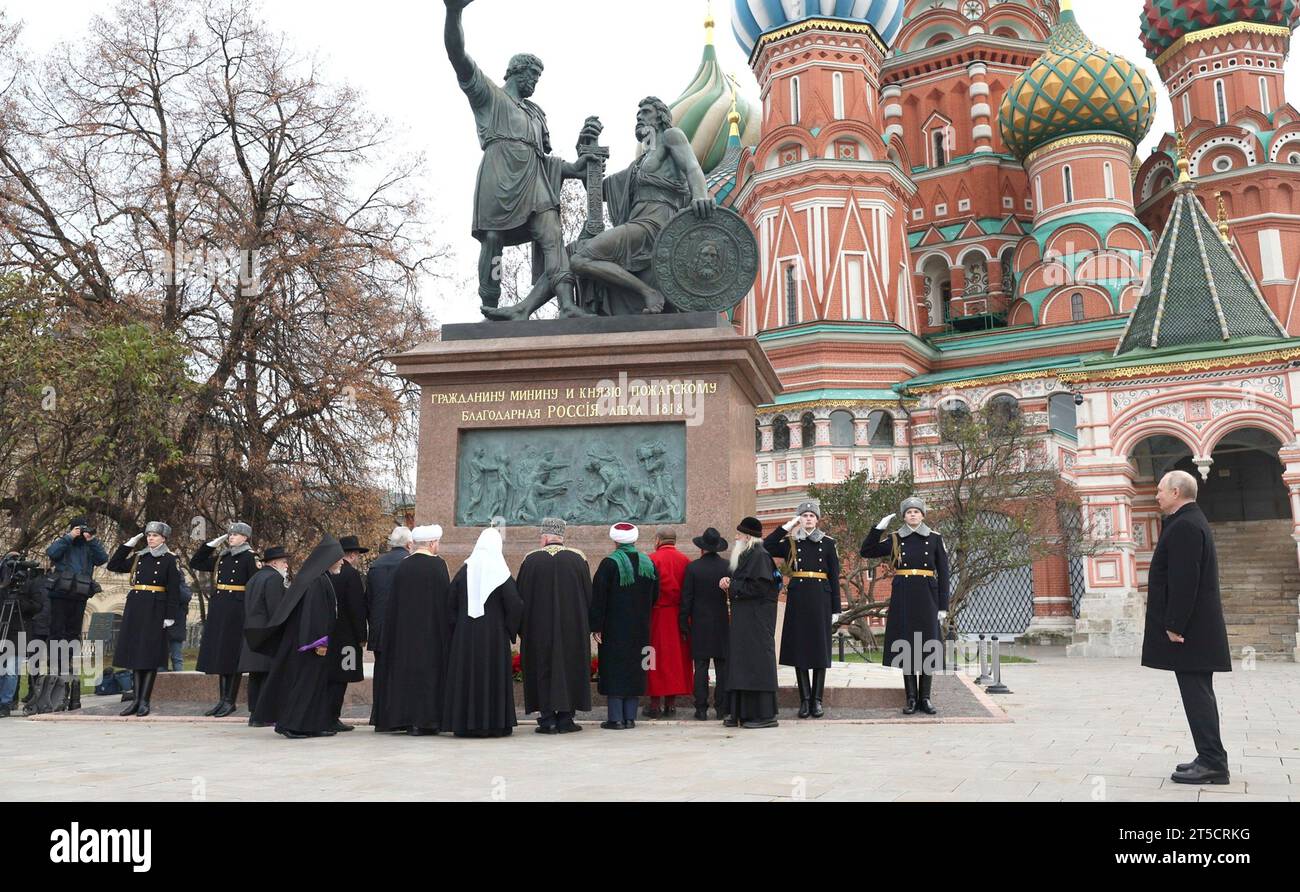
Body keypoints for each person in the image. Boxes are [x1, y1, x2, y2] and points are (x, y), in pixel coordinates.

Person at [444, 0, 593, 319]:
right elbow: (459, 57)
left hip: (535, 182)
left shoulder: (536, 113)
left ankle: (567, 304)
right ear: (517, 72)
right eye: (532, 77)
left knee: (553, 236)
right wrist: (453, 13)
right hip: (499, 177)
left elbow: (546, 161)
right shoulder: (489, 96)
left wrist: (574, 168)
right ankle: (490, 308)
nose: (534, 84)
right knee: (493, 241)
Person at [1143, 470, 1232, 785]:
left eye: (1160, 490)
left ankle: (1213, 763)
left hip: (1189, 632)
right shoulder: (1190, 522)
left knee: (1197, 696)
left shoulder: (1185, 526)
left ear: (1176, 492)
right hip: (1196, 631)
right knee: (1200, 695)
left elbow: (1184, 580)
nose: (1157, 495)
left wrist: (1174, 624)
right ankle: (1209, 756)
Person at [246, 536, 344, 739]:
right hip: (309, 645)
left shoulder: (319, 577)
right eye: (339, 558)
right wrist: (318, 642)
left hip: (308, 643)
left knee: (313, 686)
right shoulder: (316, 580)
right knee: (303, 686)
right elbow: (313, 615)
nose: (342, 562)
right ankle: (291, 725)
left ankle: (311, 724)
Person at [860, 498, 950, 715]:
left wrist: (942, 606)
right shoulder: (895, 538)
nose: (912, 515)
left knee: (927, 645)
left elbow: (944, 573)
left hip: (927, 595)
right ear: (904, 516)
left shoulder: (935, 538)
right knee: (907, 646)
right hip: (904, 595)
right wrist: (878, 528)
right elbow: (867, 551)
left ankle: (925, 698)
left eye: (916, 512)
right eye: (909, 512)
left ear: (923, 515)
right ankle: (911, 698)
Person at [370, 525, 453, 735]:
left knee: (407, 677)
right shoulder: (438, 565)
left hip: (404, 636)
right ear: (433, 543)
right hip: (431, 635)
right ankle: (427, 721)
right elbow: (446, 602)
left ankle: (408, 720)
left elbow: (393, 603)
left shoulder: (403, 566)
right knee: (429, 677)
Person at [443, 527, 524, 738]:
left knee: (467, 677)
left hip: (465, 635)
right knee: (492, 676)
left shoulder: (463, 571)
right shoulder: (501, 573)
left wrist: (457, 629)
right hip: (494, 637)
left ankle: (464, 723)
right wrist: (509, 628)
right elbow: (515, 604)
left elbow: (450, 605)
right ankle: (495, 724)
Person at [764, 500, 840, 719]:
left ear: (817, 519)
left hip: (820, 598)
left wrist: (836, 608)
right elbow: (767, 546)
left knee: (819, 649)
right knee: (800, 649)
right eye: (804, 516)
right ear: (800, 520)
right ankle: (804, 700)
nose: (808, 519)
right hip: (798, 597)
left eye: (811, 516)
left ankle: (817, 700)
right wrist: (786, 527)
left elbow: (834, 576)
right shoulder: (790, 542)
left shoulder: (827, 543)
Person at [516, 517, 592, 734]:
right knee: (569, 666)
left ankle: (547, 718)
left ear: (546, 537)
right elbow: (588, 596)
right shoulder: (578, 559)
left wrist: (521, 628)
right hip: (572, 628)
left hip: (538, 628)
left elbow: (520, 596)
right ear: (561, 536)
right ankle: (566, 718)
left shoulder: (530, 560)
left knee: (542, 667)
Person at [107, 522, 183, 717]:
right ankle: (135, 701)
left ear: (164, 539)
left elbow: (174, 590)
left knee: (149, 656)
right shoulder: (139, 557)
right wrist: (127, 545)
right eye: (148, 535)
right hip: (136, 606)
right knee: (135, 655)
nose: (151, 538)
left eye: (155, 535)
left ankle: (144, 702)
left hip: (156, 608)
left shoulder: (169, 559)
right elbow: (113, 565)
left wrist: (170, 616)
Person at [590, 523, 657, 730]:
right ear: (634, 540)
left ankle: (615, 718)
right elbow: (655, 596)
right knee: (636, 668)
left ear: (616, 541)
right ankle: (630, 717)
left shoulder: (609, 564)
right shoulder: (648, 563)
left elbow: (598, 598)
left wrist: (596, 626)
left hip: (614, 627)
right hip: (640, 627)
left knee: (615, 668)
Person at [192, 522, 259, 718]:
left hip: (237, 610)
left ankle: (230, 700)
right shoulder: (223, 557)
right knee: (221, 654)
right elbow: (196, 562)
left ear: (245, 538)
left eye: (236, 535)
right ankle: (222, 700)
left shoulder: (250, 557)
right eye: (230, 535)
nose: (231, 537)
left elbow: (254, 586)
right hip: (220, 606)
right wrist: (210, 545)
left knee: (232, 656)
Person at [720, 518, 779, 729]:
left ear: (747, 537)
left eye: (738, 534)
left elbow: (759, 588)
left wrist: (732, 586)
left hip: (756, 621)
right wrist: (728, 582)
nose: (735, 537)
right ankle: (739, 712)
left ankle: (763, 715)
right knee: (740, 663)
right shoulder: (746, 555)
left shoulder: (760, 556)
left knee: (756, 664)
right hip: (744, 620)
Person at [45, 516, 108, 712]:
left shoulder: (89, 546)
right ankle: (54, 664)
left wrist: (92, 540)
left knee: (73, 632)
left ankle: (68, 662)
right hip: (61, 593)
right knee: (57, 630)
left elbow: (102, 559)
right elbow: (52, 553)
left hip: (80, 594)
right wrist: (68, 537)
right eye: (78, 529)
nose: (81, 532)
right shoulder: (65, 543)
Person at [679, 527, 730, 721]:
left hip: (700, 625)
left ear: (702, 548)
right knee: (722, 667)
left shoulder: (693, 568)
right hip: (723, 624)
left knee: (700, 668)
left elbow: (687, 599)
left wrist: (684, 623)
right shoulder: (727, 567)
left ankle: (701, 708)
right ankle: (721, 707)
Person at [643, 527, 691, 718]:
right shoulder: (685, 561)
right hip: (678, 616)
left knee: (652, 657)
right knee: (675, 659)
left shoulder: (650, 559)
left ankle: (654, 704)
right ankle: (671, 704)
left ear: (658, 540)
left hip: (655, 615)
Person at [240, 546, 290, 725]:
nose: (286, 566)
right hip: (267, 634)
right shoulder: (274, 578)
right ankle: (265, 715)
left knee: (256, 676)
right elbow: (276, 609)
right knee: (268, 677)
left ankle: (255, 714)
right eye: (284, 562)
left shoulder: (255, 578)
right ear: (275, 562)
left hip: (252, 633)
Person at [326, 536, 370, 733]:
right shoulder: (350, 574)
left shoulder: (326, 570)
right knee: (341, 677)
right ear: (352, 555)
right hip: (346, 638)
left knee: (329, 676)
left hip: (327, 635)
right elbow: (356, 609)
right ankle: (332, 716)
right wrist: (362, 636)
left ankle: (325, 714)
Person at [365, 526, 411, 658]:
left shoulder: (376, 564)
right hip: (402, 631)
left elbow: (369, 600)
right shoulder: (410, 564)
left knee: (380, 672)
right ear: (409, 544)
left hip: (378, 629)